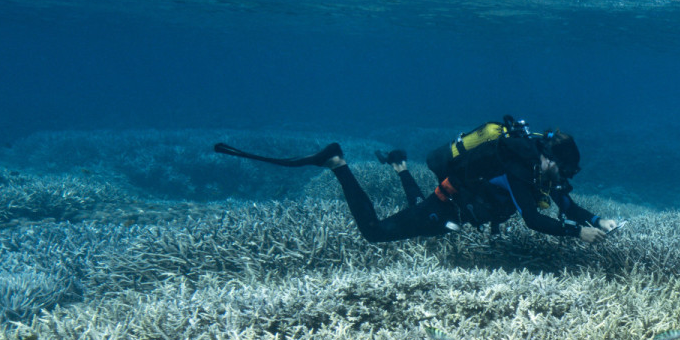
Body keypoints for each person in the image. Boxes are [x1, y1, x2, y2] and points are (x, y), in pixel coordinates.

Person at [213, 116, 622, 243]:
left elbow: (565, 201)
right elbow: (533, 219)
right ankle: (336, 163)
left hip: (454, 207)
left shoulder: (539, 170)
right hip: (447, 207)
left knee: (421, 213)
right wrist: (576, 235)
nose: (563, 178)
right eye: (561, 169)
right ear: (548, 157)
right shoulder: (519, 168)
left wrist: (596, 220)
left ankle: (399, 167)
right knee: (375, 232)